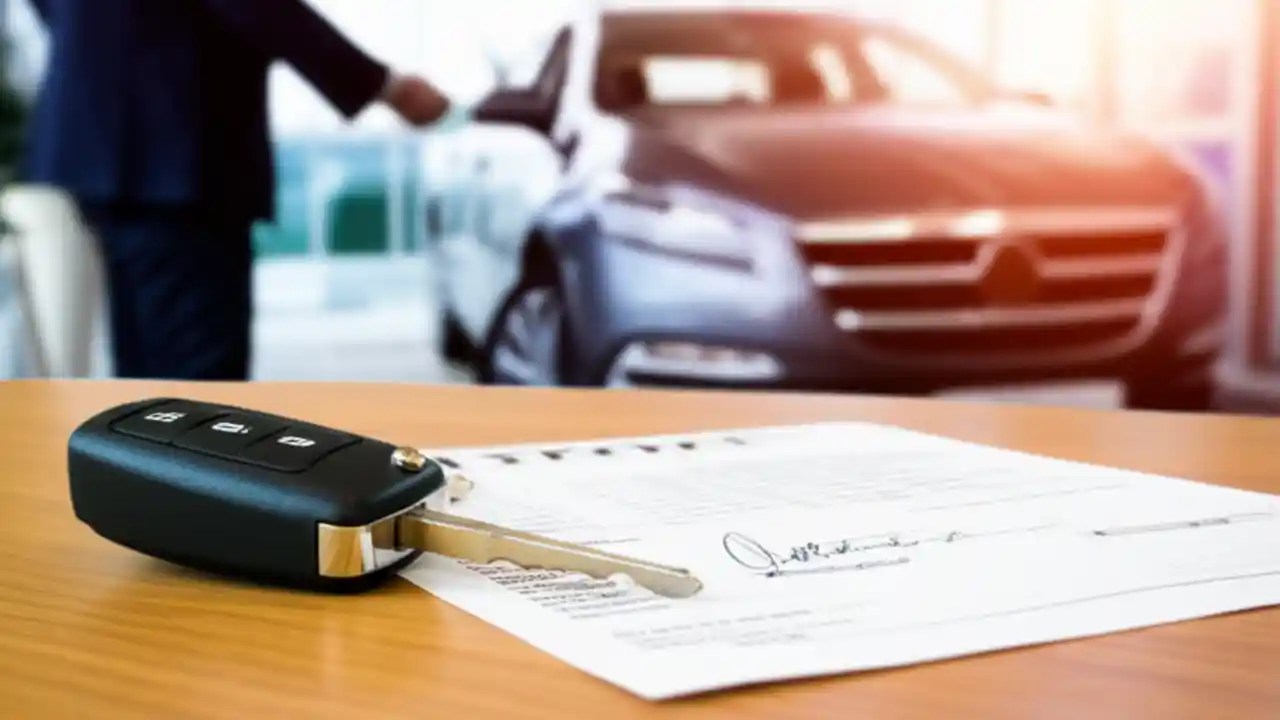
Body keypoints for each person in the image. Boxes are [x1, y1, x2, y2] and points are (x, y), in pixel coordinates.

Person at [22, 0, 449, 379]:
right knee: (194, 386)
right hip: (180, 153)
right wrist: (388, 89)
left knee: (146, 374)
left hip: (102, 146)